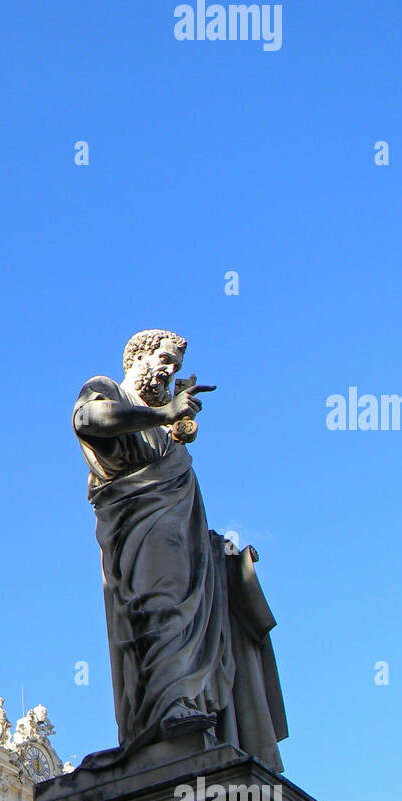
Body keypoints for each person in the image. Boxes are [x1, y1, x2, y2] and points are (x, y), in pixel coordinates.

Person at [73, 329, 286, 769]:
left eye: (174, 365)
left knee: (179, 612)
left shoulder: (164, 435)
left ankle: (186, 707)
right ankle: (167, 711)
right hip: (136, 528)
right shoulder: (106, 390)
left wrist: (223, 556)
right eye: (164, 359)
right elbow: (87, 421)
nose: (169, 371)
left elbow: (188, 513)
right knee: (158, 605)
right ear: (137, 356)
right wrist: (163, 413)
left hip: (181, 541)